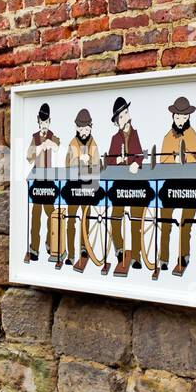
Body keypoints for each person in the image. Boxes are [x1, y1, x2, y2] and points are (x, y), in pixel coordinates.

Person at [157, 96, 196, 275]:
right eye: (177, 117)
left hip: (189, 185)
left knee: (186, 222)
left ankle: (184, 255)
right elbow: (162, 159)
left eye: (183, 117)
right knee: (165, 221)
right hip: (170, 185)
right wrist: (173, 159)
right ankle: (164, 257)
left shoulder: (192, 135)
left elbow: (194, 157)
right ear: (173, 117)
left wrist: (183, 158)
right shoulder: (168, 136)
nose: (180, 121)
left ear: (188, 117)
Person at [105, 96, 144, 277]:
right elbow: (108, 160)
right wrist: (117, 160)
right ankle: (119, 249)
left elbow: (140, 155)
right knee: (115, 217)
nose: (123, 119)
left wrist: (136, 162)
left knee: (136, 218)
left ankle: (136, 255)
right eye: (119, 118)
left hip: (134, 184)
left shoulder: (135, 135)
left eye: (124, 115)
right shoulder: (115, 139)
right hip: (119, 184)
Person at [64, 108, 101, 269]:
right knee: (71, 219)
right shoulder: (73, 144)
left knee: (86, 218)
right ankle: (71, 254)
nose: (84, 132)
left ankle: (84, 248)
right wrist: (80, 158)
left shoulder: (94, 144)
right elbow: (69, 165)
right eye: (81, 129)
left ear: (90, 128)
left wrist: (90, 162)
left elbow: (97, 165)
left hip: (88, 187)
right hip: (73, 187)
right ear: (77, 128)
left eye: (87, 129)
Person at [24, 103, 60, 262]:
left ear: (50, 122)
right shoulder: (35, 138)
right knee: (36, 215)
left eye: (47, 123)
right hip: (37, 180)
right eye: (42, 123)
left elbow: (58, 146)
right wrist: (39, 147)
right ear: (38, 122)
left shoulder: (52, 135)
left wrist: (50, 143)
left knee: (51, 214)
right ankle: (34, 248)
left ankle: (50, 243)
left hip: (49, 180)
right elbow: (29, 156)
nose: (44, 126)